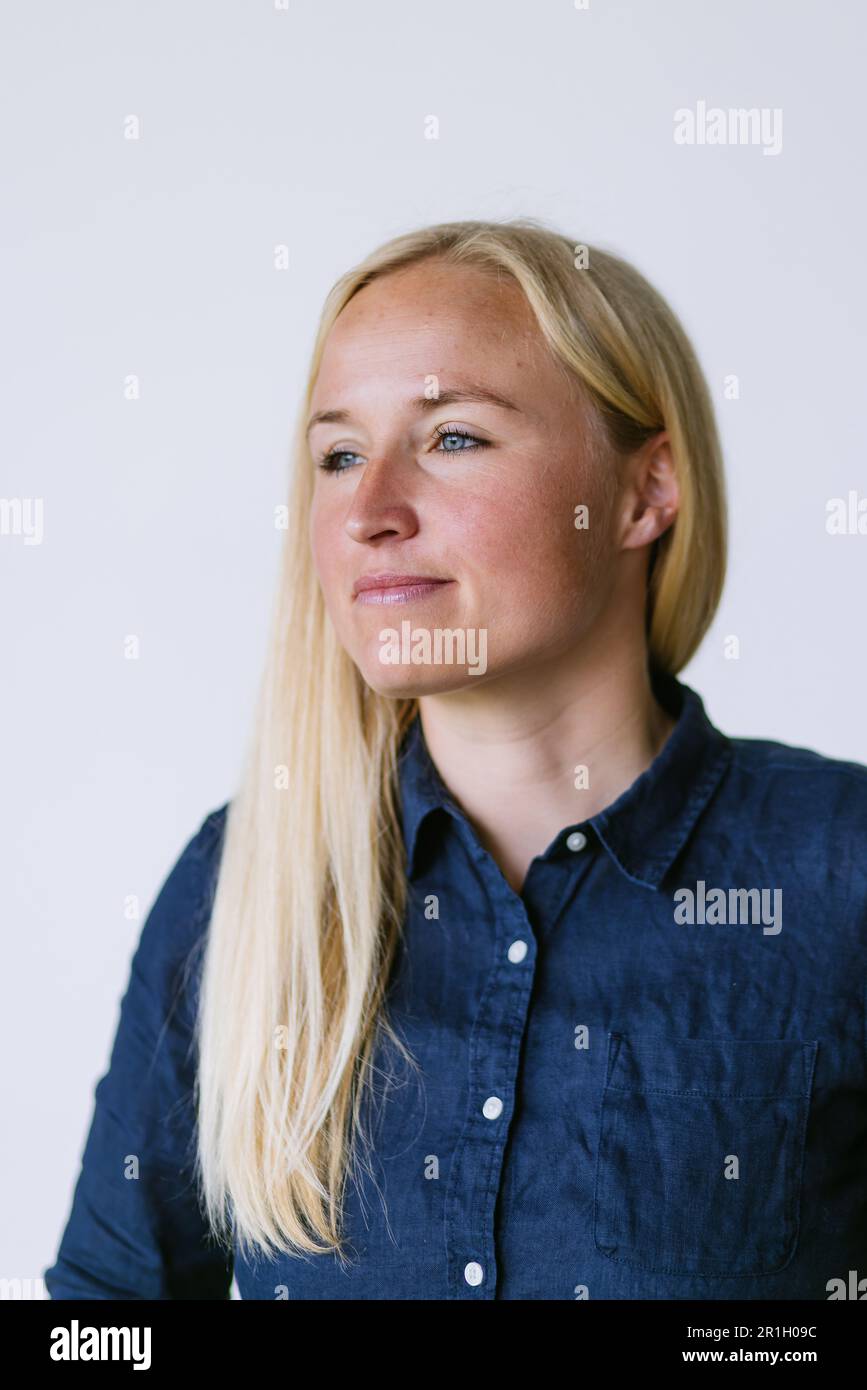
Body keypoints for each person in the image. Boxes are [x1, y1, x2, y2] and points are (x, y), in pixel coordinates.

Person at [45, 219, 867, 1300]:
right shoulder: (239, 882)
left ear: (643, 491)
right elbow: (104, 1320)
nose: (371, 511)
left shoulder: (838, 870)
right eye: (339, 455)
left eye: (454, 438)